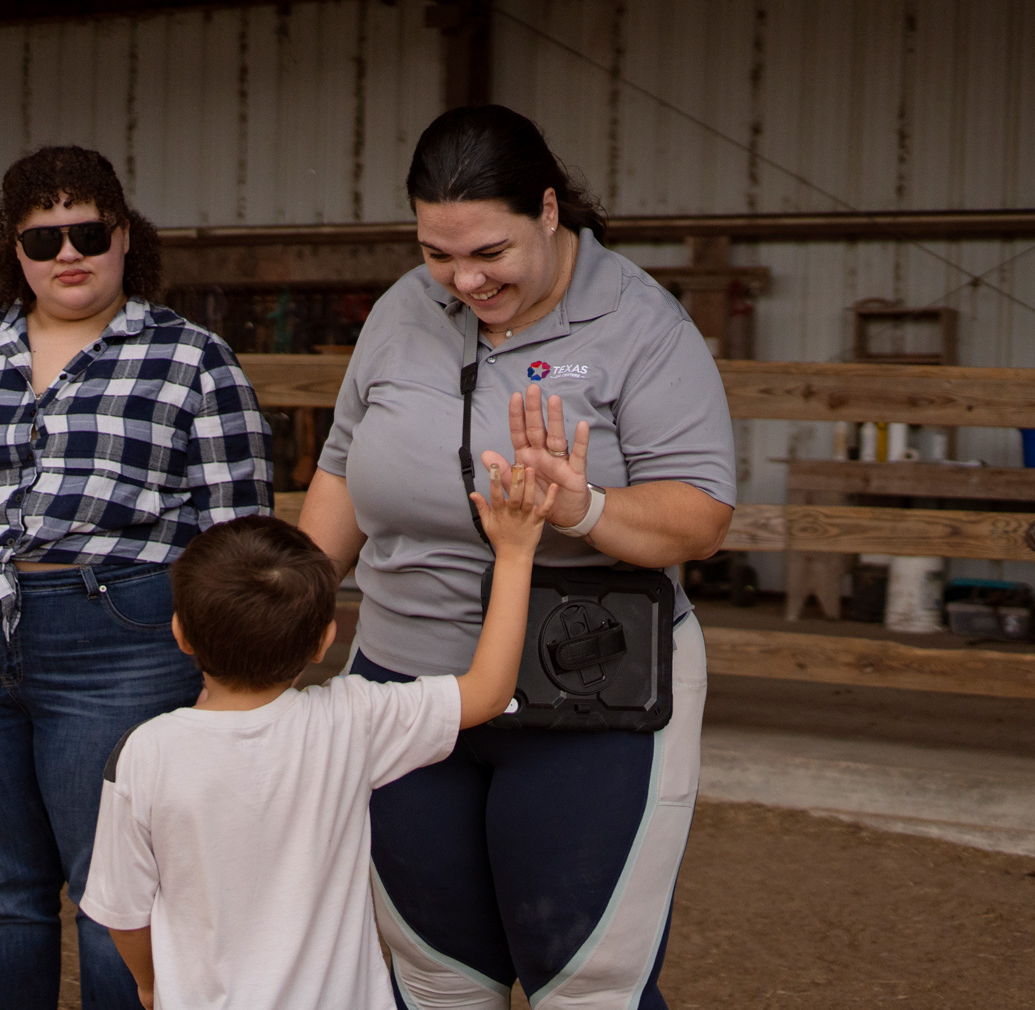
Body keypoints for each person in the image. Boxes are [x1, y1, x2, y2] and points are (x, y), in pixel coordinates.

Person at [298, 105, 736, 1009]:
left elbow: (699, 518)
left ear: (547, 209)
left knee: (585, 984)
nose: (464, 280)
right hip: (407, 689)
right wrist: (286, 616)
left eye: (489, 253)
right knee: (434, 978)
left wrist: (587, 508)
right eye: (437, 253)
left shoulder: (641, 322)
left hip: (587, 692)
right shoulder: (402, 309)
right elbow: (341, 468)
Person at [0, 145, 272, 1010]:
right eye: (43, 239)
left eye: (88, 233)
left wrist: (234, 676)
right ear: (16, 251)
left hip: (121, 643)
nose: (68, 254)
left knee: (115, 892)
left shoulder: (193, 359)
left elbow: (237, 536)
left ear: (125, 237)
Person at [82, 466, 555, 1010]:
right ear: (324, 641)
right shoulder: (350, 720)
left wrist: (150, 984)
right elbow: (489, 693)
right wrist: (515, 553)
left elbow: (123, 914)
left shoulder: (145, 754)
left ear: (180, 632)